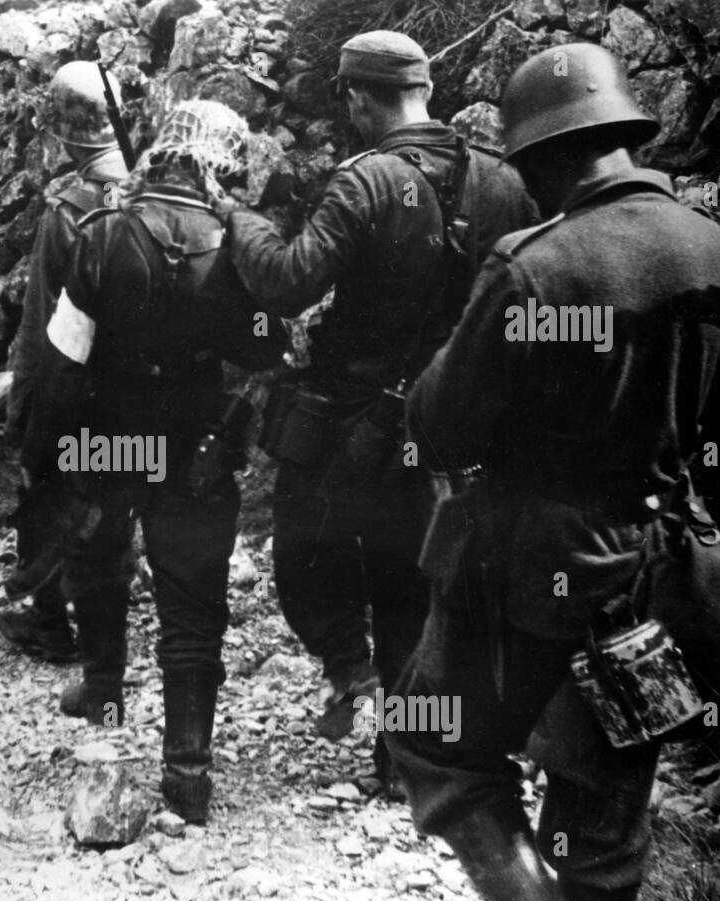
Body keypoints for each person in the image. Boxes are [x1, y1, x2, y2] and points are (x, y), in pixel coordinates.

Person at [388, 43, 720, 901]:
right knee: (601, 821)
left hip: (520, 575)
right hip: (657, 574)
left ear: (544, 156)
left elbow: (438, 425)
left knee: (434, 741)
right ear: (623, 131)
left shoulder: (535, 268)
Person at [221, 31, 538, 790]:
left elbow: (288, 281)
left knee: (302, 556)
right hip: (446, 428)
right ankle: (403, 763)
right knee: (409, 589)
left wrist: (238, 218)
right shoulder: (503, 182)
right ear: (423, 89)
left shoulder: (363, 181)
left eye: (350, 102)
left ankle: (347, 667)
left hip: (347, 423)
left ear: (361, 98)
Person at [25, 100, 288, 823]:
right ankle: (189, 772)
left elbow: (63, 357)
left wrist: (47, 450)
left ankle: (103, 688)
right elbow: (266, 345)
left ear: (163, 151)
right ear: (221, 163)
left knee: (98, 559)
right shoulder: (234, 244)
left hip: (110, 443)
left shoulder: (102, 232)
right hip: (196, 450)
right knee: (194, 607)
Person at [0, 61, 132, 664]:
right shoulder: (157, 194)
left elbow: (44, 333)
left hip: (77, 394)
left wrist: (31, 426)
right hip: (146, 398)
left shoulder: (71, 212)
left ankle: (46, 620)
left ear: (61, 134)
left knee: (50, 496)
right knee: (113, 500)